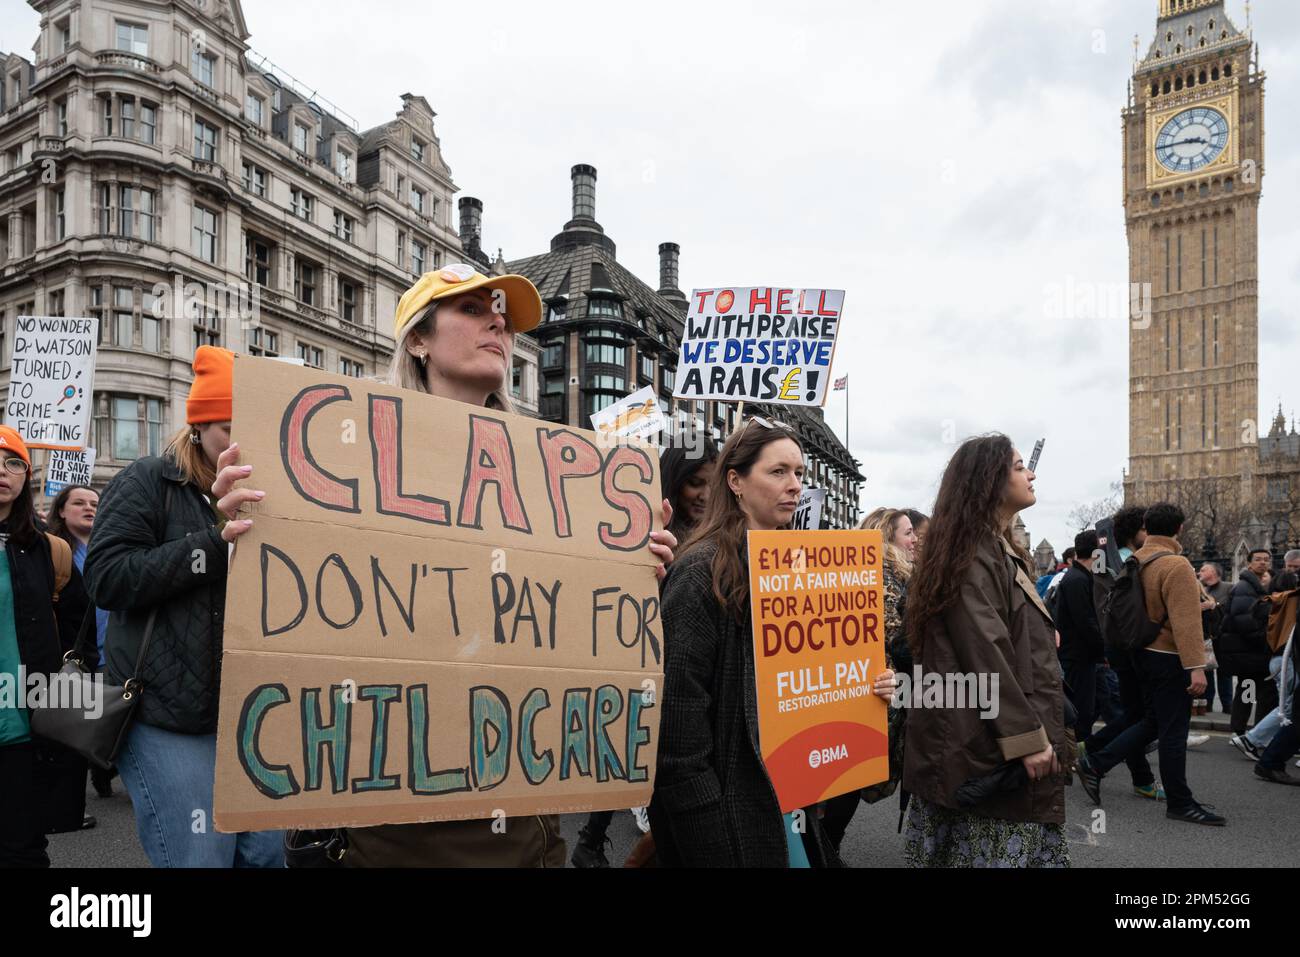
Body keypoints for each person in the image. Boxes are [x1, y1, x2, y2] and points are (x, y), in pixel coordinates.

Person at [299, 265, 677, 867]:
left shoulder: (550, 478)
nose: (498, 322)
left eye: (500, 315)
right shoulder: (353, 456)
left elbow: (561, 623)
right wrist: (254, 528)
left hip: (527, 803)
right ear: (418, 340)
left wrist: (633, 576)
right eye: (472, 311)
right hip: (408, 802)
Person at [649, 418, 896, 866]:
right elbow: (678, 740)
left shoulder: (803, 571)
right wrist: (710, 839)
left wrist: (868, 687)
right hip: (730, 817)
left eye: (800, 473)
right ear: (736, 481)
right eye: (778, 471)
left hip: (791, 802)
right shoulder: (699, 573)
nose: (795, 485)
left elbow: (810, 685)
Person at [84, 347, 284, 868]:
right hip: (165, 713)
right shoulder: (149, 480)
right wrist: (215, 546)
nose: (241, 444)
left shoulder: (277, 493)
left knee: (265, 857)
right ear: (198, 425)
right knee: (201, 857)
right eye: (228, 429)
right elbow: (106, 578)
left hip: (251, 713)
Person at [901, 435, 1070, 868]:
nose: (1030, 473)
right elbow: (986, 652)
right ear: (989, 481)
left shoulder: (991, 547)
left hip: (982, 738)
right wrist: (1025, 739)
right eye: (1018, 467)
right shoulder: (974, 551)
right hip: (983, 745)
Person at [572, 439, 718, 868]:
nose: (705, 495)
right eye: (694, 483)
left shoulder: (715, 536)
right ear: (673, 481)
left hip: (688, 676)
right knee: (636, 759)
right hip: (645, 665)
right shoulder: (648, 531)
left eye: (712, 485)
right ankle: (593, 842)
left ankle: (593, 844)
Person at [1077, 503, 1222, 825]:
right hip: (1170, 657)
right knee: (1172, 732)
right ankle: (1180, 802)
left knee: (1151, 722)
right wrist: (1196, 667)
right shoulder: (1175, 564)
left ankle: (1096, 762)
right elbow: (1184, 621)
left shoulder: (1136, 559)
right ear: (1180, 528)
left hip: (1139, 653)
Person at [0, 426, 86, 866]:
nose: (3, 470)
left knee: (23, 847)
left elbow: (77, 628)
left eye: (13, 462)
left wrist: (68, 693)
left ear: (26, 477)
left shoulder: (48, 550)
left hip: (22, 722)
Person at [819, 507, 916, 849]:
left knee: (841, 787)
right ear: (888, 537)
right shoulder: (888, 577)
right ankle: (826, 851)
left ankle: (825, 849)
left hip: (863, 697)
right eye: (907, 533)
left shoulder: (870, 572)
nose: (914, 539)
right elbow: (895, 643)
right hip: (875, 699)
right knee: (847, 787)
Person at [1079, 505, 1164, 801]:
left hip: (1117, 646)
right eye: (1145, 529)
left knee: (1134, 714)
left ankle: (1091, 751)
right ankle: (1096, 761)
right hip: (1132, 648)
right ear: (1133, 532)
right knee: (1148, 717)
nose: (1148, 535)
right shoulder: (1130, 561)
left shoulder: (1110, 559)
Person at [47, 486, 116, 800]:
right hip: (72, 651)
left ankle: (104, 765)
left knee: (114, 719)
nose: (89, 508)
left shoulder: (112, 548)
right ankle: (66, 796)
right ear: (61, 510)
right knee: (74, 724)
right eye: (79, 503)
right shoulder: (52, 550)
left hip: (112, 648)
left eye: (94, 503)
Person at [1230, 571, 1299, 761]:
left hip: (1265, 659)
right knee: (1263, 698)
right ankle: (1250, 736)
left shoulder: (1266, 602)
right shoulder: (1285, 603)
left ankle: (1257, 736)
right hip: (1269, 660)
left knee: (1269, 699)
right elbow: (1244, 627)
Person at [1218, 549, 1279, 735]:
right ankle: (1249, 733)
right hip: (1251, 652)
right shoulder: (1245, 587)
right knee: (1255, 692)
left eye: (1266, 560)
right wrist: (1266, 638)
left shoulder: (1259, 586)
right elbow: (1243, 621)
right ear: (1249, 563)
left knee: (1251, 691)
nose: (1263, 563)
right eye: (1258, 559)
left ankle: (1242, 731)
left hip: (1251, 653)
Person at [1055, 530, 1106, 741]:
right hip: (1077, 656)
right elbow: (1086, 622)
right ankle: (1076, 753)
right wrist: (1104, 651)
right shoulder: (1077, 580)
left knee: (1098, 702)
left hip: (1085, 655)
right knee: (1081, 710)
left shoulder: (1082, 577)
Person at [1197, 562, 1233, 713]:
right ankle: (1208, 704)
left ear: (1214, 571)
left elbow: (1232, 609)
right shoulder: (1202, 589)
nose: (1200, 572)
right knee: (1208, 671)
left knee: (1225, 672)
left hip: (1223, 637)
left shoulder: (1229, 587)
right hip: (1206, 637)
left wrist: (1214, 605)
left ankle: (1228, 705)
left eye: (1203, 569)